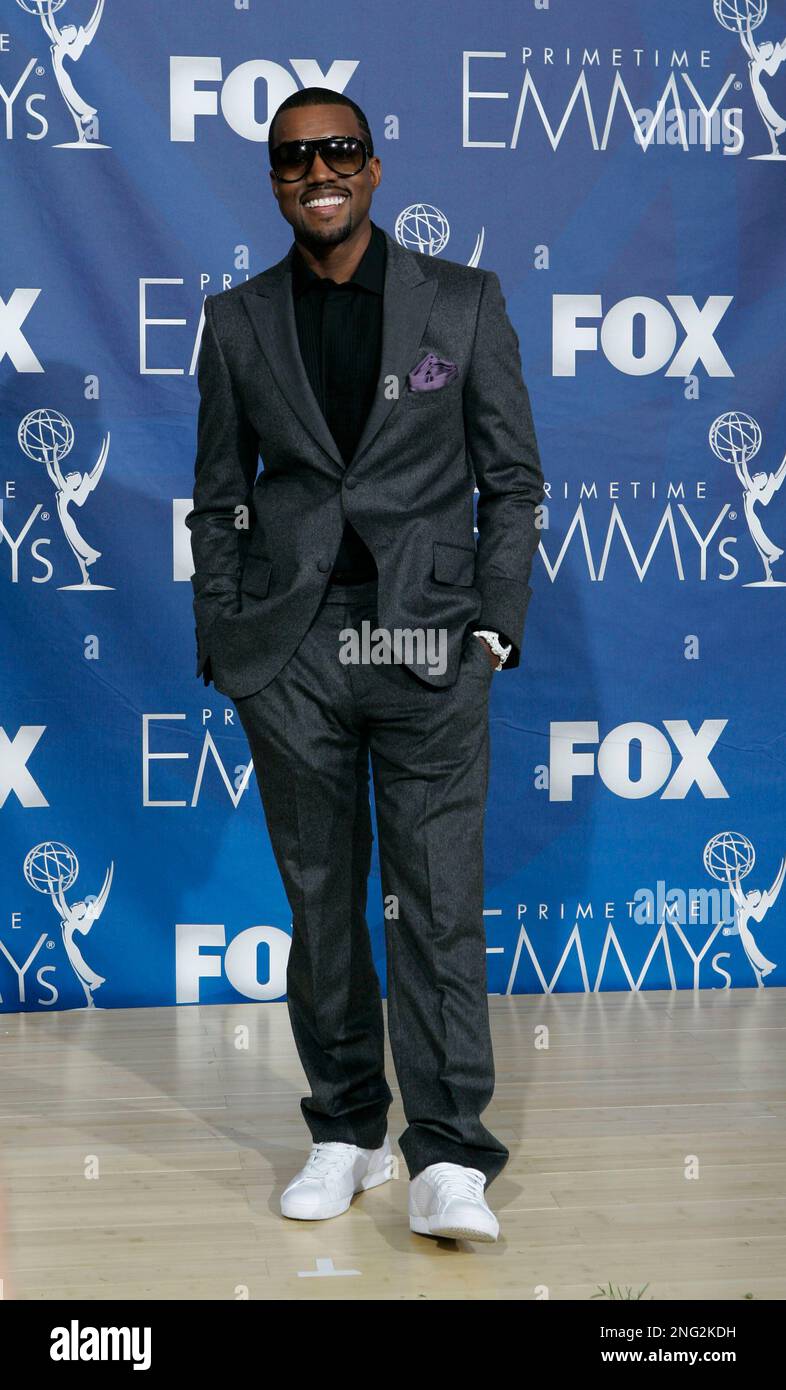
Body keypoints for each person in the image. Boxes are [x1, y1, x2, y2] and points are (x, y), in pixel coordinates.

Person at [186, 87, 545, 1243]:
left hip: (430, 647)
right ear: (276, 182)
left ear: (376, 170)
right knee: (323, 904)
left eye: (339, 151)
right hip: (293, 653)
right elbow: (219, 497)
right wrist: (227, 636)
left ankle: (448, 1154)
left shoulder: (465, 301)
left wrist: (493, 622)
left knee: (437, 902)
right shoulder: (237, 320)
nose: (318, 171)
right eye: (294, 158)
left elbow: (514, 480)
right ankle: (344, 1130)